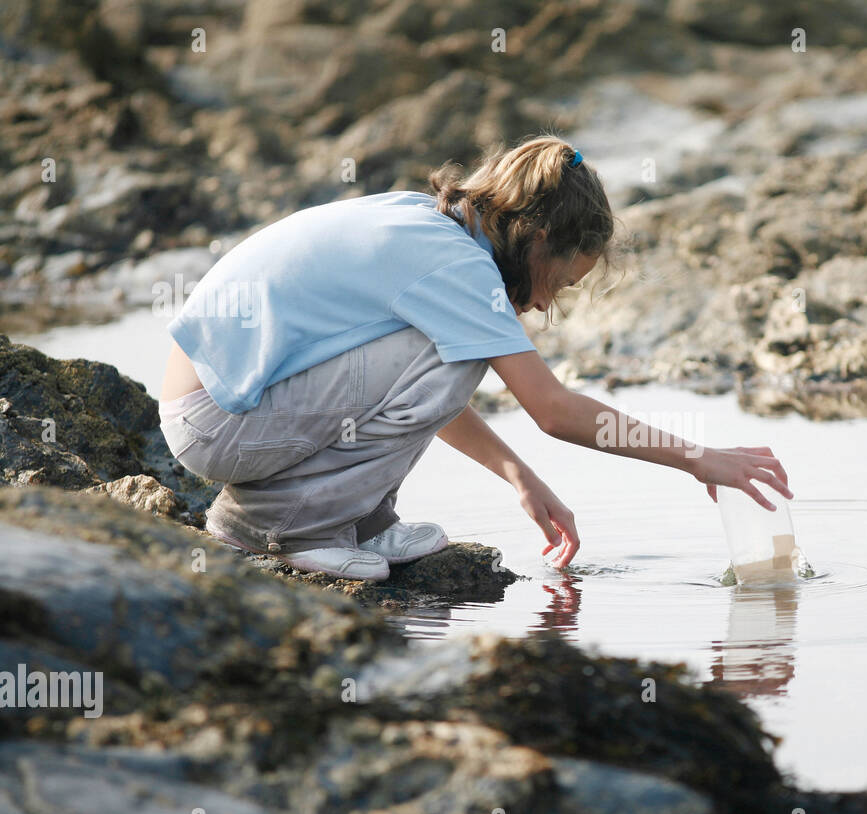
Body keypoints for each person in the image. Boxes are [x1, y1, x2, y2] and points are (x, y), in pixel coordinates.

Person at [158, 135, 791, 581]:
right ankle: (279, 527)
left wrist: (518, 475)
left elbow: (395, 386)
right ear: (540, 239)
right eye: (559, 283)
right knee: (463, 356)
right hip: (216, 422)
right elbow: (553, 410)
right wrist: (699, 459)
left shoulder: (435, 225)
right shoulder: (458, 266)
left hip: (222, 410)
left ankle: (358, 522)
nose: (543, 305)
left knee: (459, 351)